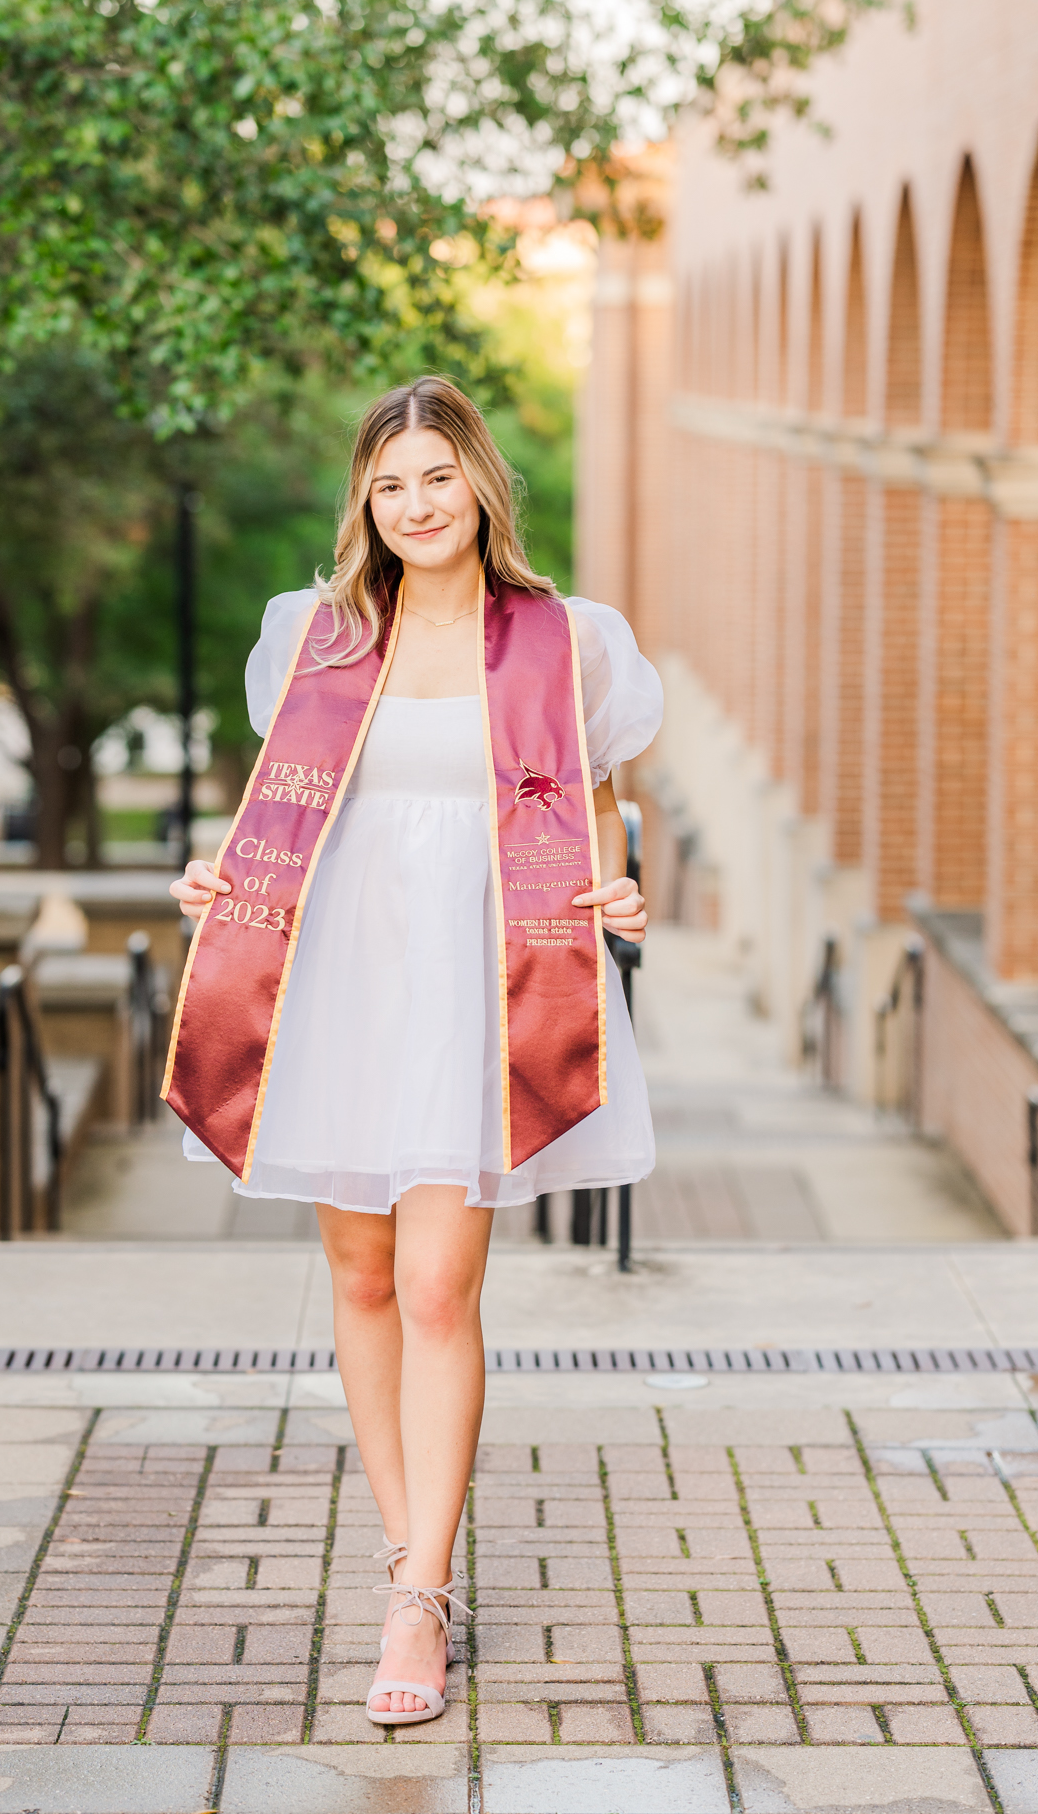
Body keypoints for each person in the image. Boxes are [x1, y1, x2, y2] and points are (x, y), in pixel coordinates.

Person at [168, 377, 661, 1727]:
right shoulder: (314, 635)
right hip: (342, 976)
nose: (416, 504)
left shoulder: (566, 639)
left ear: (481, 484)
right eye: (390, 485)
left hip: (484, 981)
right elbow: (282, 806)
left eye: (437, 476)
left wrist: (623, 887)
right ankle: (409, 1554)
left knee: (442, 1284)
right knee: (364, 1274)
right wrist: (220, 883)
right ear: (365, 503)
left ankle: (420, 1594)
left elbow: (604, 794)